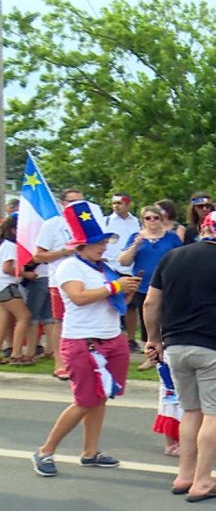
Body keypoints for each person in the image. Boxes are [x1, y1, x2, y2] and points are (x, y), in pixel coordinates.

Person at [143, 210, 216, 502]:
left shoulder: (171, 257)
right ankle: (204, 480)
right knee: (215, 413)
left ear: (202, 228)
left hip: (176, 345)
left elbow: (150, 303)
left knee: (190, 411)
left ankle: (185, 475)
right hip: (214, 346)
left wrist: (153, 339)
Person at [32, 200, 142, 476]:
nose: (103, 246)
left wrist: (125, 290)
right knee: (85, 400)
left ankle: (90, 452)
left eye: (103, 241)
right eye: (97, 243)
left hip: (110, 337)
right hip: (83, 340)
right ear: (80, 245)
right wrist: (115, 286)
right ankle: (45, 450)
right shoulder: (69, 267)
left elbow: (111, 300)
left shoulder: (102, 268)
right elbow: (78, 297)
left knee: (101, 397)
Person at [118, 205, 182, 369]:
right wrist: (136, 245)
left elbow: (182, 257)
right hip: (143, 286)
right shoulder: (136, 237)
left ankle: (169, 354)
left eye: (156, 218)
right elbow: (123, 261)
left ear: (162, 219)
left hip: (168, 285)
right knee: (148, 320)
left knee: (169, 319)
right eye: (148, 218)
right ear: (142, 221)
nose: (152, 221)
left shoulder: (171, 238)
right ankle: (152, 356)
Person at [33, 188, 86, 379]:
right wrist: (66, 252)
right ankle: (60, 361)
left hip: (86, 278)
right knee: (61, 321)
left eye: (81, 202)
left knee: (84, 320)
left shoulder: (86, 222)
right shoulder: (53, 225)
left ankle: (81, 360)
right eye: (73, 202)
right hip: (60, 280)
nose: (77, 206)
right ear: (63, 204)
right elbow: (38, 255)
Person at [102, 193, 143, 350]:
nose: (116, 206)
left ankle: (131, 339)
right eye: (113, 203)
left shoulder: (137, 223)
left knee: (131, 305)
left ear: (128, 204)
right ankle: (108, 336)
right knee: (109, 302)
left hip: (130, 268)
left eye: (119, 203)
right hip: (110, 267)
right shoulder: (106, 221)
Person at [0, 216, 36, 365]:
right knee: (24, 317)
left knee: (4, 319)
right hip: (7, 285)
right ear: (14, 230)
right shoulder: (10, 246)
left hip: (2, 286)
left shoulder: (3, 244)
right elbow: (7, 268)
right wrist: (26, 274)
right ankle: (16, 354)